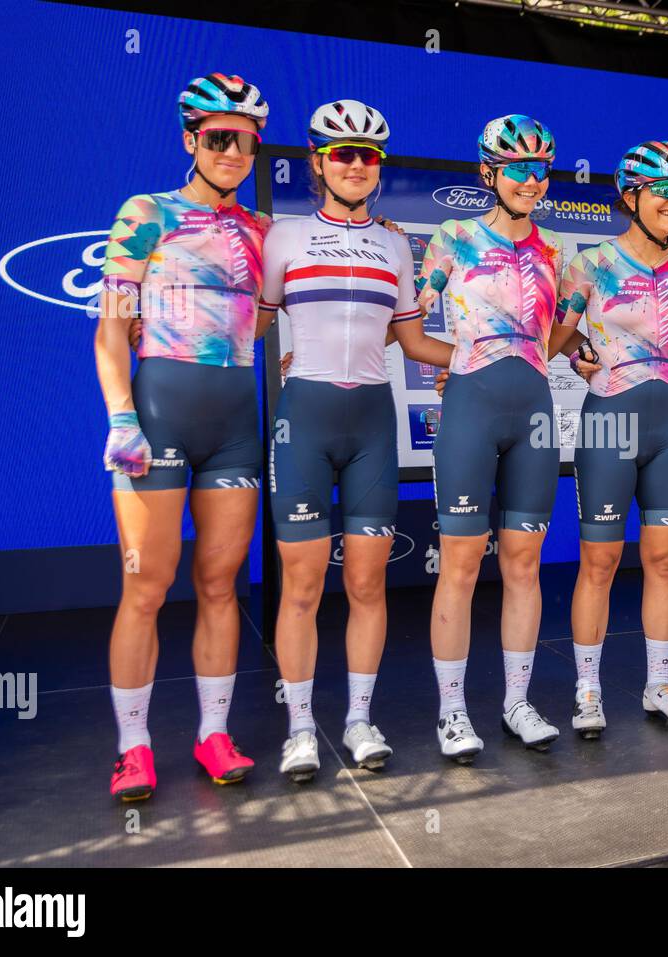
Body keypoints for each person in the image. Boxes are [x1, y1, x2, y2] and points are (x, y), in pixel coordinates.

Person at [259, 100, 453, 781]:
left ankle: (359, 719)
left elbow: (415, 341)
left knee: (369, 583)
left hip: (372, 418)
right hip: (305, 414)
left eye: (368, 154)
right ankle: (301, 728)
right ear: (317, 162)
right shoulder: (281, 237)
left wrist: (485, 356)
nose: (356, 165)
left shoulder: (397, 244)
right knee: (303, 586)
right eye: (342, 153)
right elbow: (250, 330)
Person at [96, 74, 272, 801]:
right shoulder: (146, 214)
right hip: (159, 414)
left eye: (245, 139)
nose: (232, 150)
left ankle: (213, 732)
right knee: (146, 584)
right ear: (190, 141)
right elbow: (110, 332)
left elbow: (259, 321)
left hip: (234, 418)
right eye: (217, 137)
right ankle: (132, 747)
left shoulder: (263, 232)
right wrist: (121, 416)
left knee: (221, 583)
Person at [547, 141, 668, 736]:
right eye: (662, 189)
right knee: (601, 560)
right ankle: (587, 692)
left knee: (665, 562)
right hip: (609, 421)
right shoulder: (590, 263)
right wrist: (579, 356)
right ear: (629, 195)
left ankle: (658, 685)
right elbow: (555, 334)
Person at [418, 115, 566, 762]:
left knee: (524, 563)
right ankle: (452, 712)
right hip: (471, 406)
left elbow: (558, 334)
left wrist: (564, 357)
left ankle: (515, 702)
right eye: (517, 169)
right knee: (460, 563)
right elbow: (407, 316)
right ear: (488, 172)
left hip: (534, 407)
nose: (530, 181)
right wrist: (458, 364)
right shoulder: (451, 237)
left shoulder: (559, 250)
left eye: (540, 170)